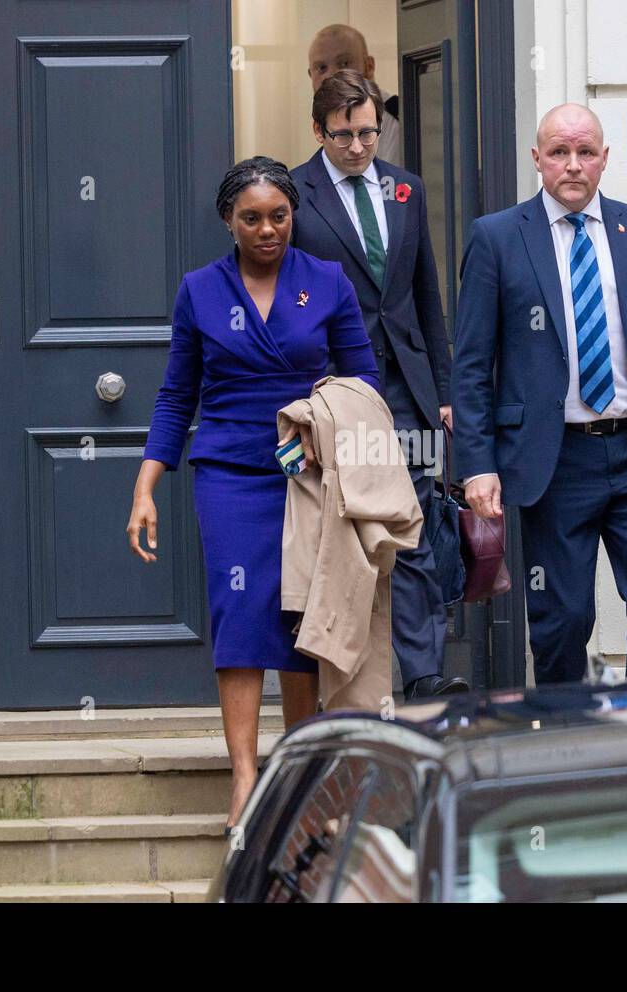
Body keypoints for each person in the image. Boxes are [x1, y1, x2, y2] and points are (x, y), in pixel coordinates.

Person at [128, 157, 379, 829]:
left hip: (308, 477)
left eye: (279, 216)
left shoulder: (326, 281)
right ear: (228, 222)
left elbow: (364, 382)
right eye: (252, 218)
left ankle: (298, 776)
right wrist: (146, 484)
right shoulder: (200, 291)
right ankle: (245, 776)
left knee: (302, 621)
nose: (268, 229)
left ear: (293, 215)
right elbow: (177, 394)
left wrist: (327, 429)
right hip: (231, 474)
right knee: (241, 616)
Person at [450, 104, 627, 684]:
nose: (573, 165)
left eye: (585, 152)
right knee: (562, 618)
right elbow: (470, 366)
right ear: (537, 159)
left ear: (604, 159)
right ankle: (571, 749)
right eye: (560, 153)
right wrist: (477, 465)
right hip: (555, 461)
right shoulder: (497, 238)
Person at [290, 70, 468, 700]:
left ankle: (424, 676)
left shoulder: (406, 190)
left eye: (370, 132)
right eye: (345, 135)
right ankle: (357, 685)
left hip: (408, 390)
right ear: (319, 130)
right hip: (337, 391)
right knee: (354, 535)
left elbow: (426, 296)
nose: (360, 146)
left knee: (414, 522)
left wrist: (445, 389)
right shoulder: (295, 193)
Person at [307, 24, 403, 167]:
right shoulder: (324, 126)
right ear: (310, 76)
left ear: (368, 66)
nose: (331, 75)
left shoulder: (401, 120)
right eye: (321, 68)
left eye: (344, 63)